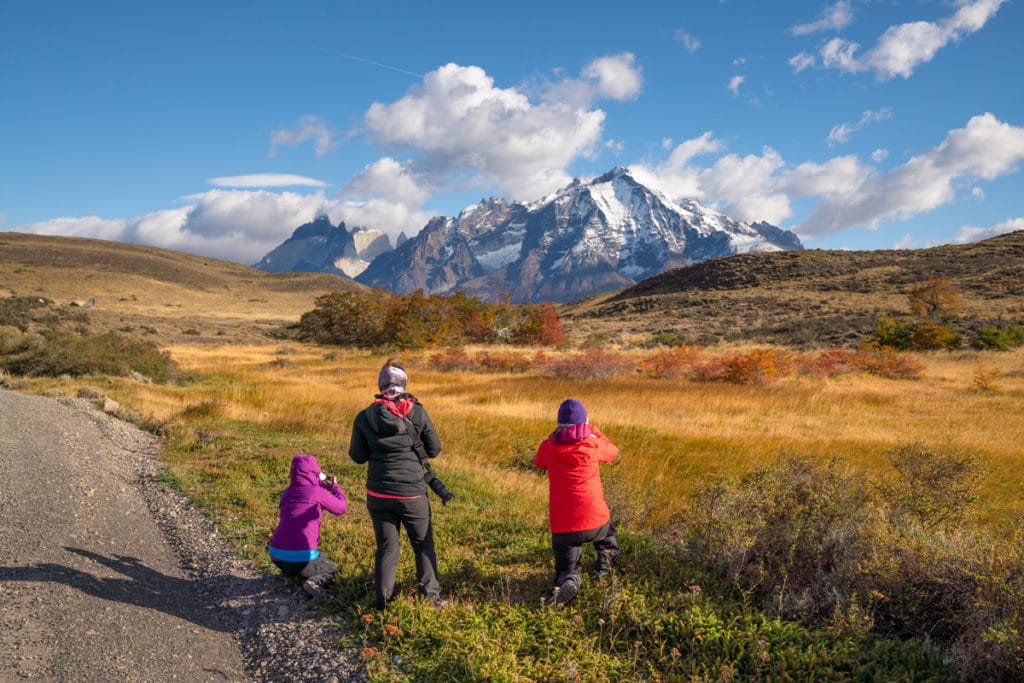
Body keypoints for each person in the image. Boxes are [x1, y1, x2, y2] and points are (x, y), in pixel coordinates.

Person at [349, 359, 447, 609]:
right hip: (412, 493)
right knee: (423, 544)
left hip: (378, 494)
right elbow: (434, 450)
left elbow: (358, 457)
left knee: (386, 548)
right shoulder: (417, 412)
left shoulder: (364, 417)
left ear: (381, 385)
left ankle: (383, 602)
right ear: (403, 384)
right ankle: (431, 599)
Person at [534, 398, 621, 606]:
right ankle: (603, 571)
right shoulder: (591, 444)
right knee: (608, 539)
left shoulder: (548, 446)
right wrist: (594, 430)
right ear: (584, 423)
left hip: (564, 526)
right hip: (595, 520)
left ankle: (570, 579)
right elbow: (613, 451)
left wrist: (553, 437)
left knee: (567, 565)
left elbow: (539, 462)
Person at [268, 453, 348, 601]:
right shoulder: (318, 492)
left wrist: (321, 484)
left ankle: (291, 573)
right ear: (315, 473)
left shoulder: (287, 493)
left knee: (298, 554)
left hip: (276, 556)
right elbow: (341, 508)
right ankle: (314, 582)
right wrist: (335, 487)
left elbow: (306, 489)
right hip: (302, 557)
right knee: (331, 568)